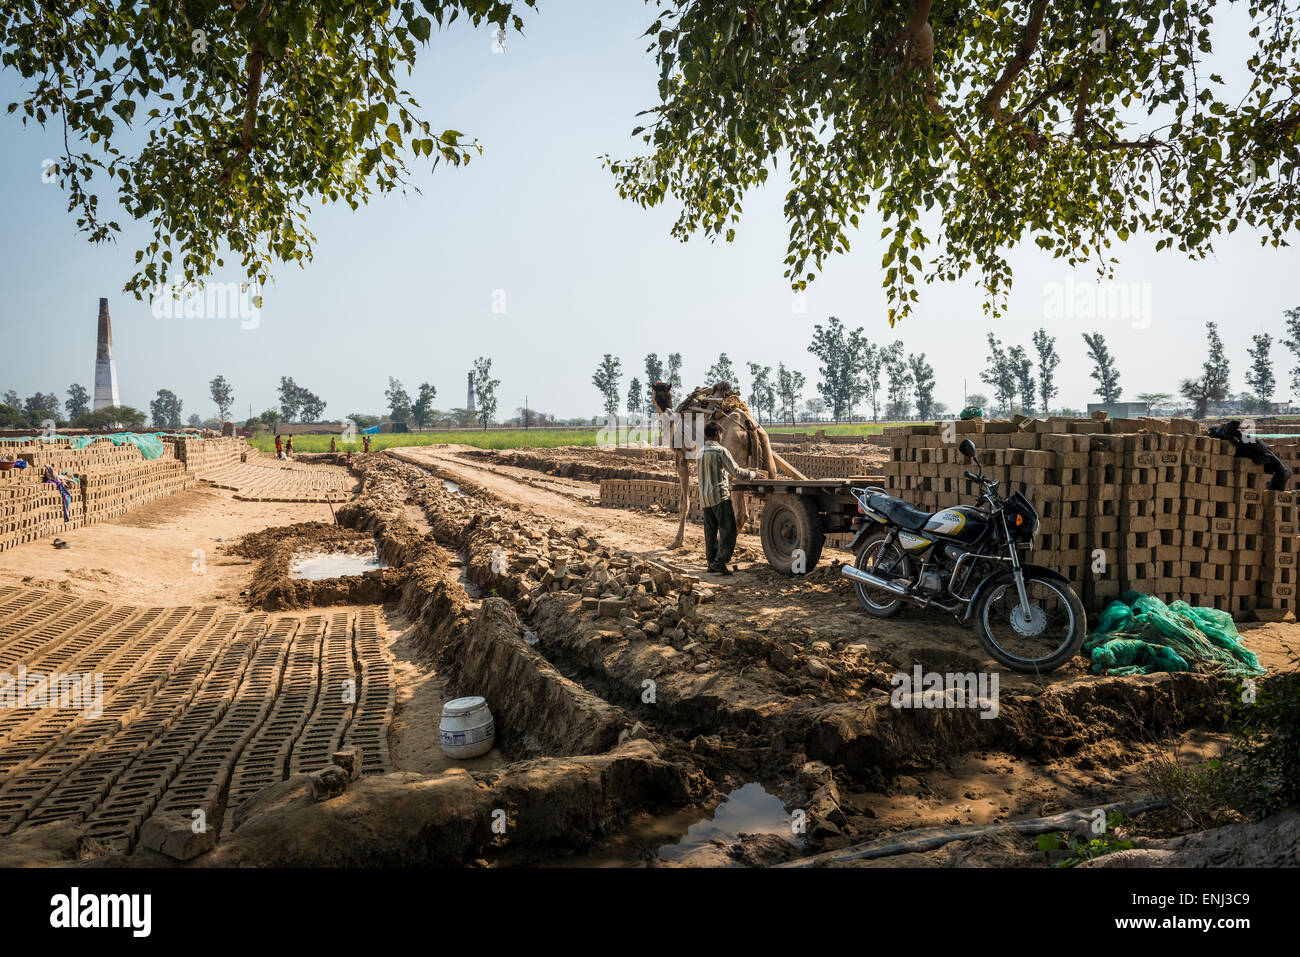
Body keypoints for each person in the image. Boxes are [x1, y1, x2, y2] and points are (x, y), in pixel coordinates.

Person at [697, 420, 756, 575]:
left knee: (710, 534)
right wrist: (753, 474)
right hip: (720, 497)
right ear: (718, 433)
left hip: (705, 498)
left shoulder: (700, 452)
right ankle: (720, 562)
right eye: (721, 433)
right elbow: (736, 472)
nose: (722, 436)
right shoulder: (720, 451)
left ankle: (712, 563)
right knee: (728, 532)